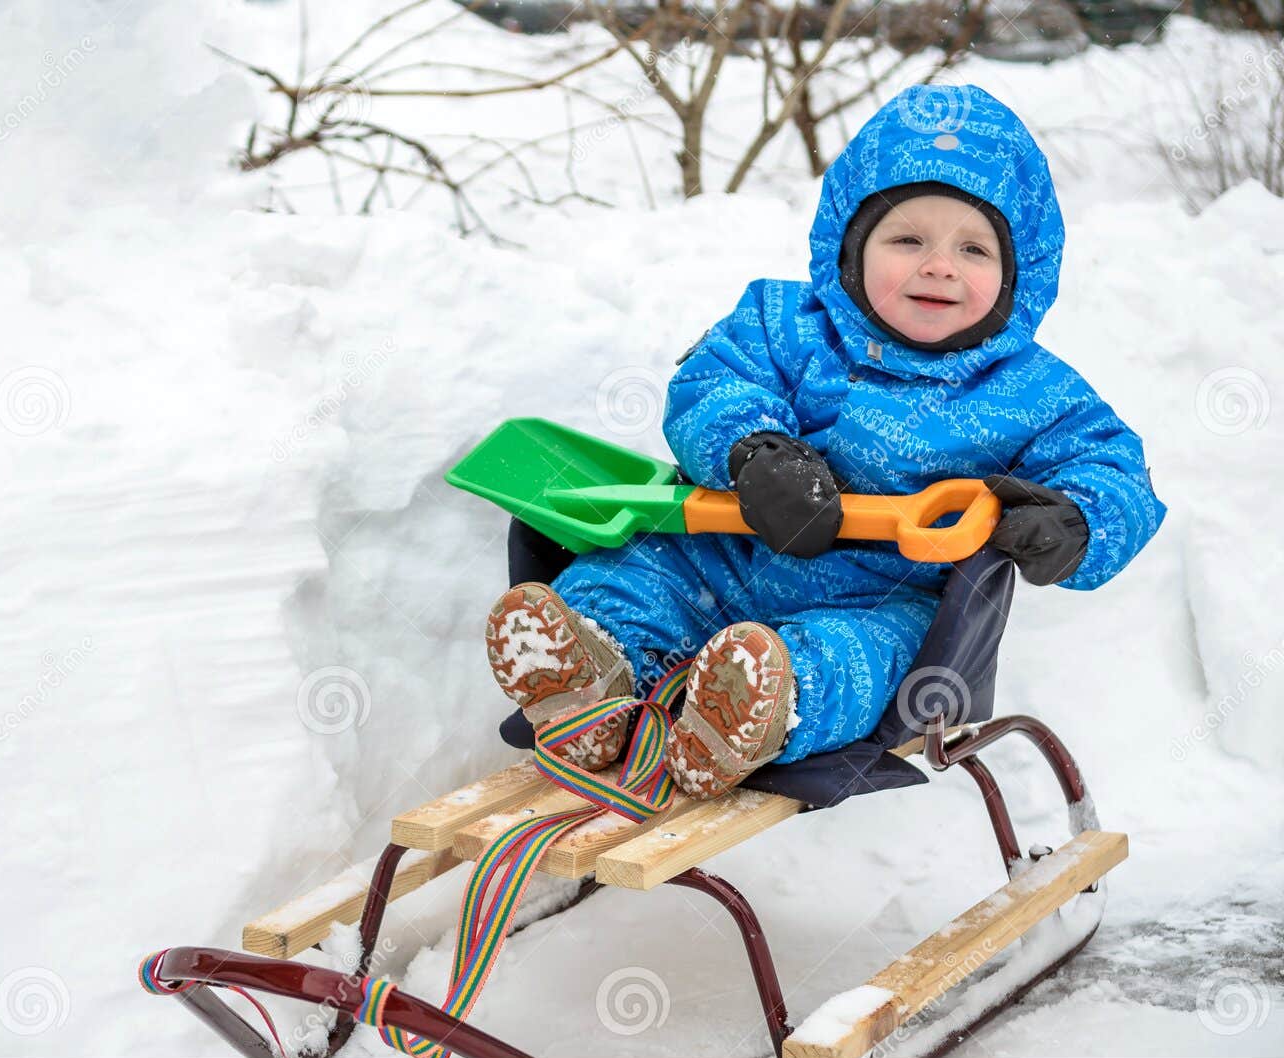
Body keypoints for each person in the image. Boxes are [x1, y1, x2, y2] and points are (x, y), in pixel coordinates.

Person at [485, 84, 1166, 799]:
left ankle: (759, 707)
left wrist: (1079, 520)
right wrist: (755, 450)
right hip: (724, 555)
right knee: (632, 578)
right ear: (850, 246)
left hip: (878, 597)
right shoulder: (782, 322)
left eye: (973, 247)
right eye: (908, 239)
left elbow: (1116, 469)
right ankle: (595, 682)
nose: (940, 266)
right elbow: (713, 382)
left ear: (1018, 273)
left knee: (857, 661)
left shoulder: (1033, 390)